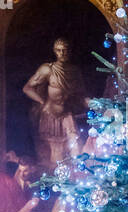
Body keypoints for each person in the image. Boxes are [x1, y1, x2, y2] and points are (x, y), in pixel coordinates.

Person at [22, 38, 88, 170]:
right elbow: (27, 88)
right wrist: (41, 101)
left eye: (65, 50)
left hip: (67, 114)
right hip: (50, 115)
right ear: (55, 52)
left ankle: (75, 183)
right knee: (54, 159)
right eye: (59, 50)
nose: (62, 53)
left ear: (69, 51)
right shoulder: (47, 69)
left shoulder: (75, 72)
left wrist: (95, 104)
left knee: (76, 151)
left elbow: (81, 96)